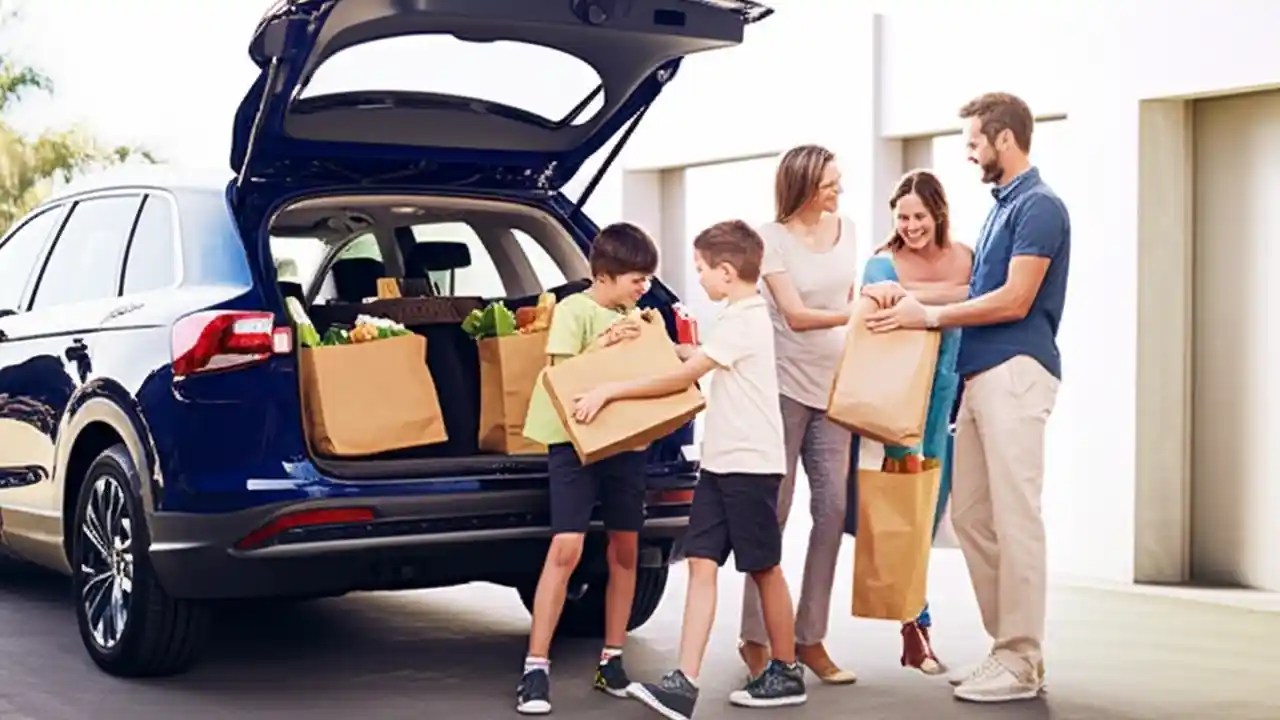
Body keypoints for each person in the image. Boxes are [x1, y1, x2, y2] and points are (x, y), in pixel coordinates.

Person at [862, 92, 1070, 703]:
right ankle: (1007, 650)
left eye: (976, 142)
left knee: (1016, 518)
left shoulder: (1039, 207)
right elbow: (974, 287)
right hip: (981, 381)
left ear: (1004, 139)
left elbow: (1013, 300)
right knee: (973, 516)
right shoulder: (1001, 208)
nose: (971, 154)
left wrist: (925, 316)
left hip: (1016, 373)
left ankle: (1022, 656)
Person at [573, 220, 807, 719]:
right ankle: (684, 682)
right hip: (721, 466)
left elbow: (685, 375)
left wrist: (610, 390)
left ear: (726, 272)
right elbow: (697, 357)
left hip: (749, 467)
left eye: (701, 269)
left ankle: (786, 670)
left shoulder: (745, 320)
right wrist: (658, 338)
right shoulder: (735, 319)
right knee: (701, 563)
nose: (697, 277)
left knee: (763, 566)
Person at [515, 222, 660, 715]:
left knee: (626, 549)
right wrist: (607, 345)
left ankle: (612, 660)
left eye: (646, 280)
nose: (644, 288)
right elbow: (561, 375)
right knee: (567, 546)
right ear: (605, 275)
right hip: (572, 441)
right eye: (637, 279)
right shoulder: (574, 311)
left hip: (626, 440)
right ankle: (536, 667)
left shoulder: (638, 314)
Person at [741, 144, 859, 684]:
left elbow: (847, 295)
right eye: (830, 183)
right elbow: (795, 315)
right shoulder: (771, 239)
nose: (838, 190)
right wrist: (854, 316)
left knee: (832, 511)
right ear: (805, 184)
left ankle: (811, 638)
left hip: (836, 390)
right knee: (777, 512)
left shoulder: (848, 229)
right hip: (784, 388)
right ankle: (757, 636)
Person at [857, 169, 971, 675]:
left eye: (919, 216)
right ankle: (914, 626)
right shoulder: (881, 264)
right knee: (906, 511)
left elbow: (982, 295)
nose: (910, 226)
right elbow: (882, 306)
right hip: (898, 404)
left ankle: (914, 622)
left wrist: (927, 300)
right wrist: (954, 296)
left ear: (938, 213)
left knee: (929, 514)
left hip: (945, 405)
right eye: (902, 217)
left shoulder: (966, 255)